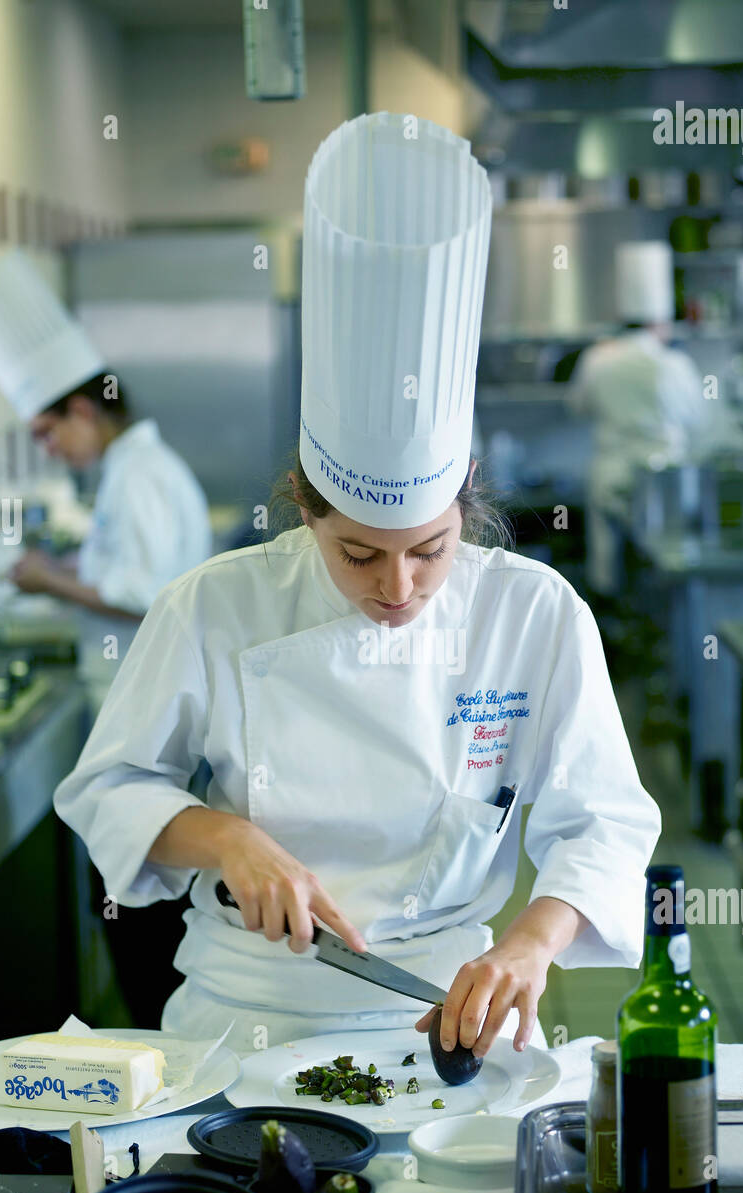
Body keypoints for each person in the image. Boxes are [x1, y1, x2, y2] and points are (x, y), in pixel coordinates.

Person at [53, 112, 661, 1057]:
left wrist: (532, 945)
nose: (399, 586)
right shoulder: (213, 605)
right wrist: (222, 837)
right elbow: (108, 788)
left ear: (467, 509)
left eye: (430, 549)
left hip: (452, 1016)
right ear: (307, 517)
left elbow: (606, 821)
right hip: (238, 1024)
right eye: (359, 556)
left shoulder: (533, 614)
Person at [0, 250, 212, 716]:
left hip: (142, 696)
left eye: (47, 433)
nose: (48, 449)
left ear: (83, 412)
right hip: (142, 690)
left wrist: (48, 580)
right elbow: (126, 570)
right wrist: (66, 566)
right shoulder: (131, 467)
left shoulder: (137, 477)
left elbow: (145, 598)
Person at [566, 241, 706, 597]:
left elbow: (577, 408)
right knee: (663, 562)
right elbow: (696, 417)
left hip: (610, 472)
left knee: (611, 567)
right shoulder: (673, 364)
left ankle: (616, 632)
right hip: (665, 477)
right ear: (660, 321)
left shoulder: (598, 358)